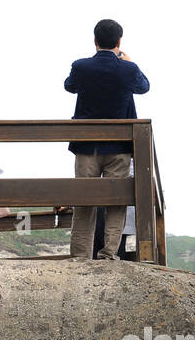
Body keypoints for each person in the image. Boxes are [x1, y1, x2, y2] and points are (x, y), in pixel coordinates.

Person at [64, 18, 149, 260]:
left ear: (95, 40)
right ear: (119, 41)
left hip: (86, 146)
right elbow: (144, 87)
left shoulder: (81, 67)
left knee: (84, 201)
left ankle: (80, 256)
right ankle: (109, 254)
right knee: (116, 202)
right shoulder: (128, 70)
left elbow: (69, 86)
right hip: (119, 147)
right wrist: (131, 63)